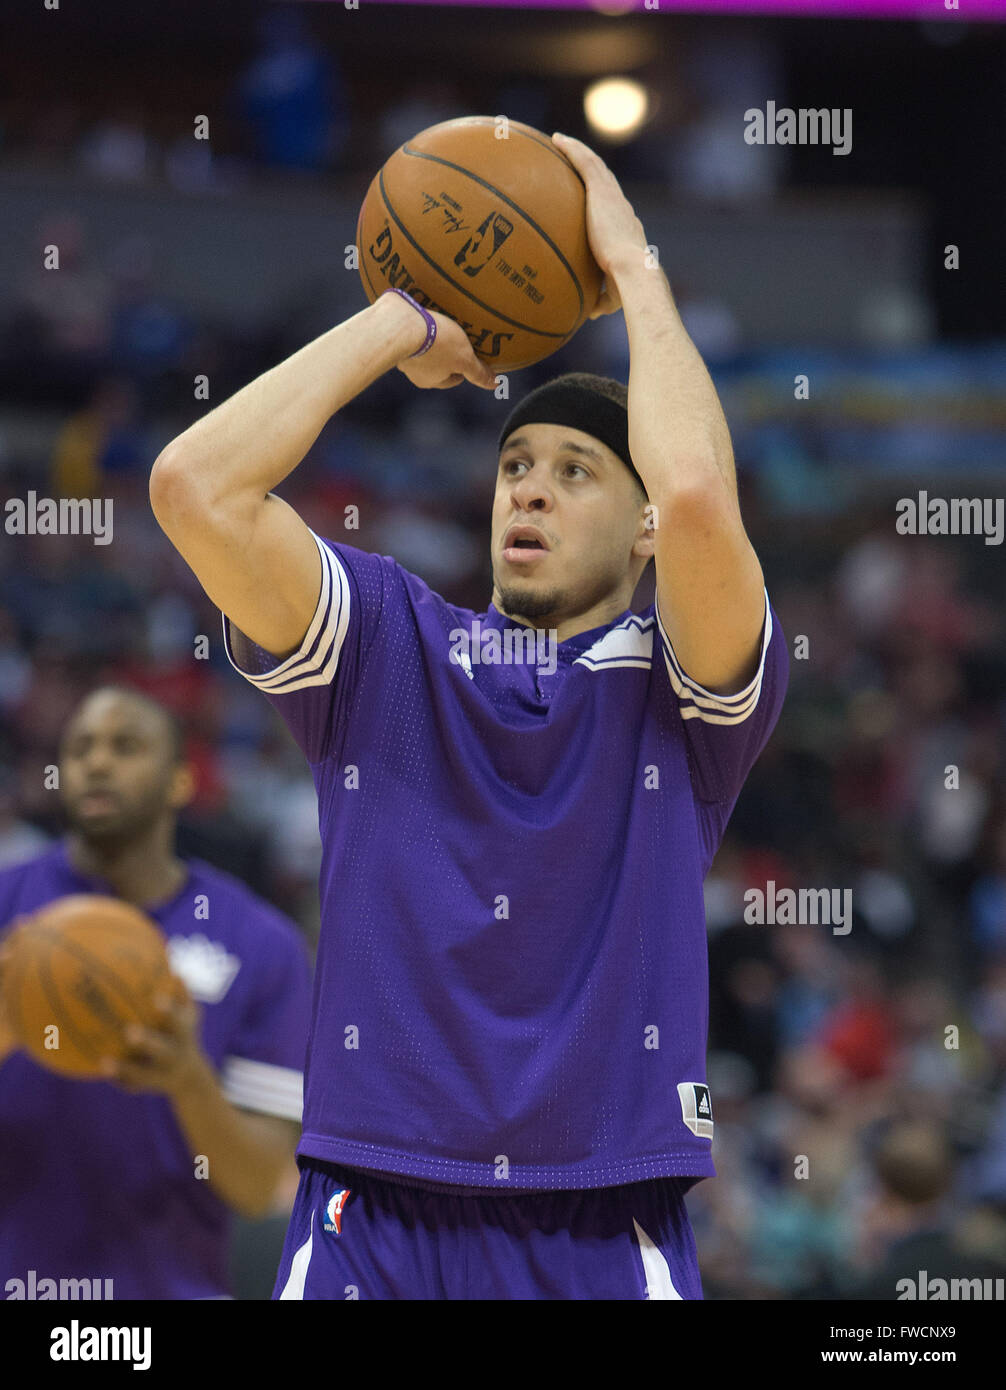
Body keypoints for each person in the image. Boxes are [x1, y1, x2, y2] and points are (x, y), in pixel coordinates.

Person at [148, 132, 788, 1300]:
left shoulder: (682, 690)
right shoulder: (386, 641)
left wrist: (635, 268)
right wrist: (402, 319)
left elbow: (696, 492)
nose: (532, 487)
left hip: (601, 1226)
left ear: (643, 531)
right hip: (369, 1213)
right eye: (516, 466)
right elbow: (195, 487)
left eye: (577, 472)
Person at [0, 687, 312, 1300]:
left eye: (126, 745)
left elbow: (256, 1186)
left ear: (179, 781)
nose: (97, 762)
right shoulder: (8, 909)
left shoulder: (260, 942)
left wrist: (188, 1081)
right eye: (81, 747)